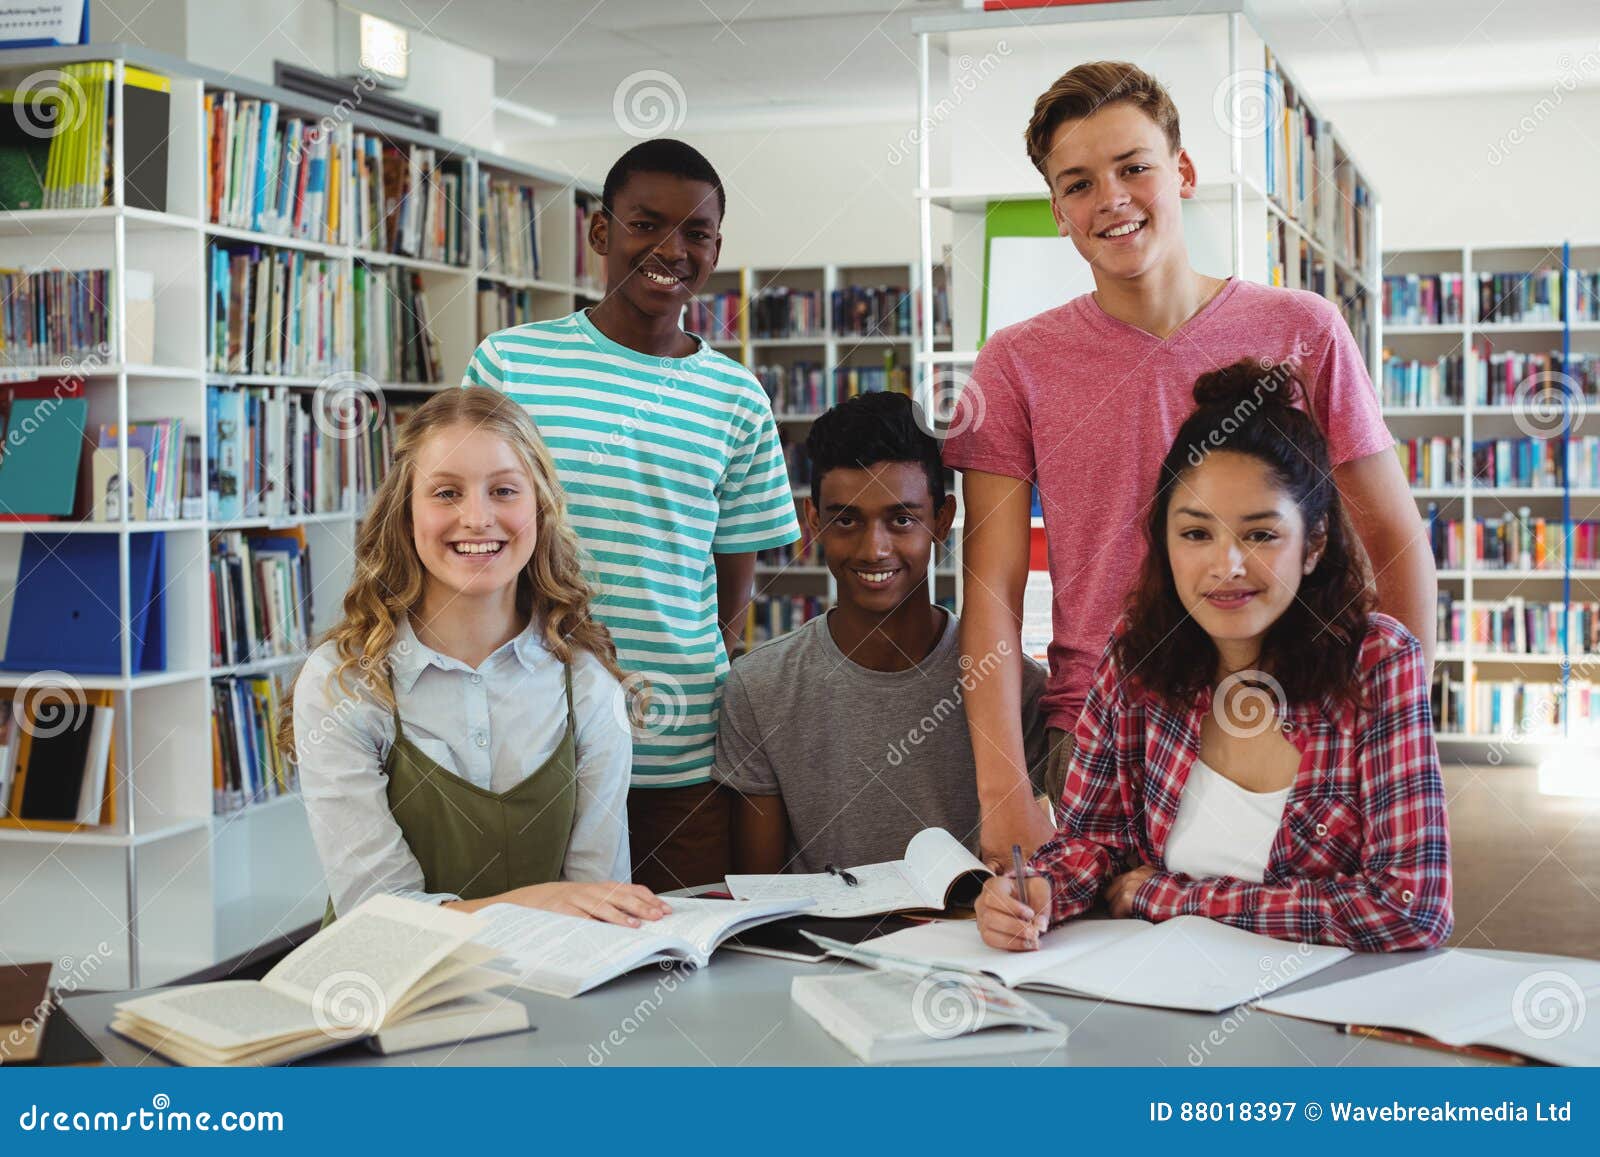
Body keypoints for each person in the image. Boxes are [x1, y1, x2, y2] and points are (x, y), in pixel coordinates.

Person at [943, 60, 1434, 862]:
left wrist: (1395, 730)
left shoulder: (1302, 329)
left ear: (1184, 173)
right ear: (1060, 213)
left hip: (1289, 728)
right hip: (1104, 738)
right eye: (1078, 183)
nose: (1112, 198)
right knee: (1086, 979)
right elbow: (990, 594)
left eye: (1134, 167)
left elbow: (1397, 543)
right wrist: (1001, 791)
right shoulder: (1014, 363)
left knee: (1302, 965)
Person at [975, 361, 1453, 953]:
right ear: (1165, 540)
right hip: (1167, 1001)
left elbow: (1411, 907)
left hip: (1326, 1017)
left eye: (1259, 535)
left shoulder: (1378, 661)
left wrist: (1172, 897)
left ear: (1315, 544)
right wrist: (1040, 888)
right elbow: (1092, 844)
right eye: (1196, 534)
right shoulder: (1137, 658)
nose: (1225, 566)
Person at [462, 139, 800, 891]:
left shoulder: (738, 397)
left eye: (697, 233)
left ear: (716, 248)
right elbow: (468, 540)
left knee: (678, 956)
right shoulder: (508, 364)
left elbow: (732, 581)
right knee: (531, 947)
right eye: (647, 223)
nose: (672, 250)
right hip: (530, 733)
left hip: (679, 745)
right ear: (601, 232)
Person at [282, 388, 668, 927]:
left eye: (504, 490)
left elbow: (599, 909)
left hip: (556, 988)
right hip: (387, 997)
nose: (478, 517)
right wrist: (538, 902)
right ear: (405, 512)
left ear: (539, 505)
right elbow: (378, 918)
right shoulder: (343, 684)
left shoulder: (587, 685)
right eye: (446, 493)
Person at [713, 391, 1050, 872]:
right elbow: (761, 896)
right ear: (814, 521)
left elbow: (1031, 875)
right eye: (847, 519)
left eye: (902, 519)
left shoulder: (1019, 690)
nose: (874, 549)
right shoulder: (758, 689)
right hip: (816, 946)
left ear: (943, 521)